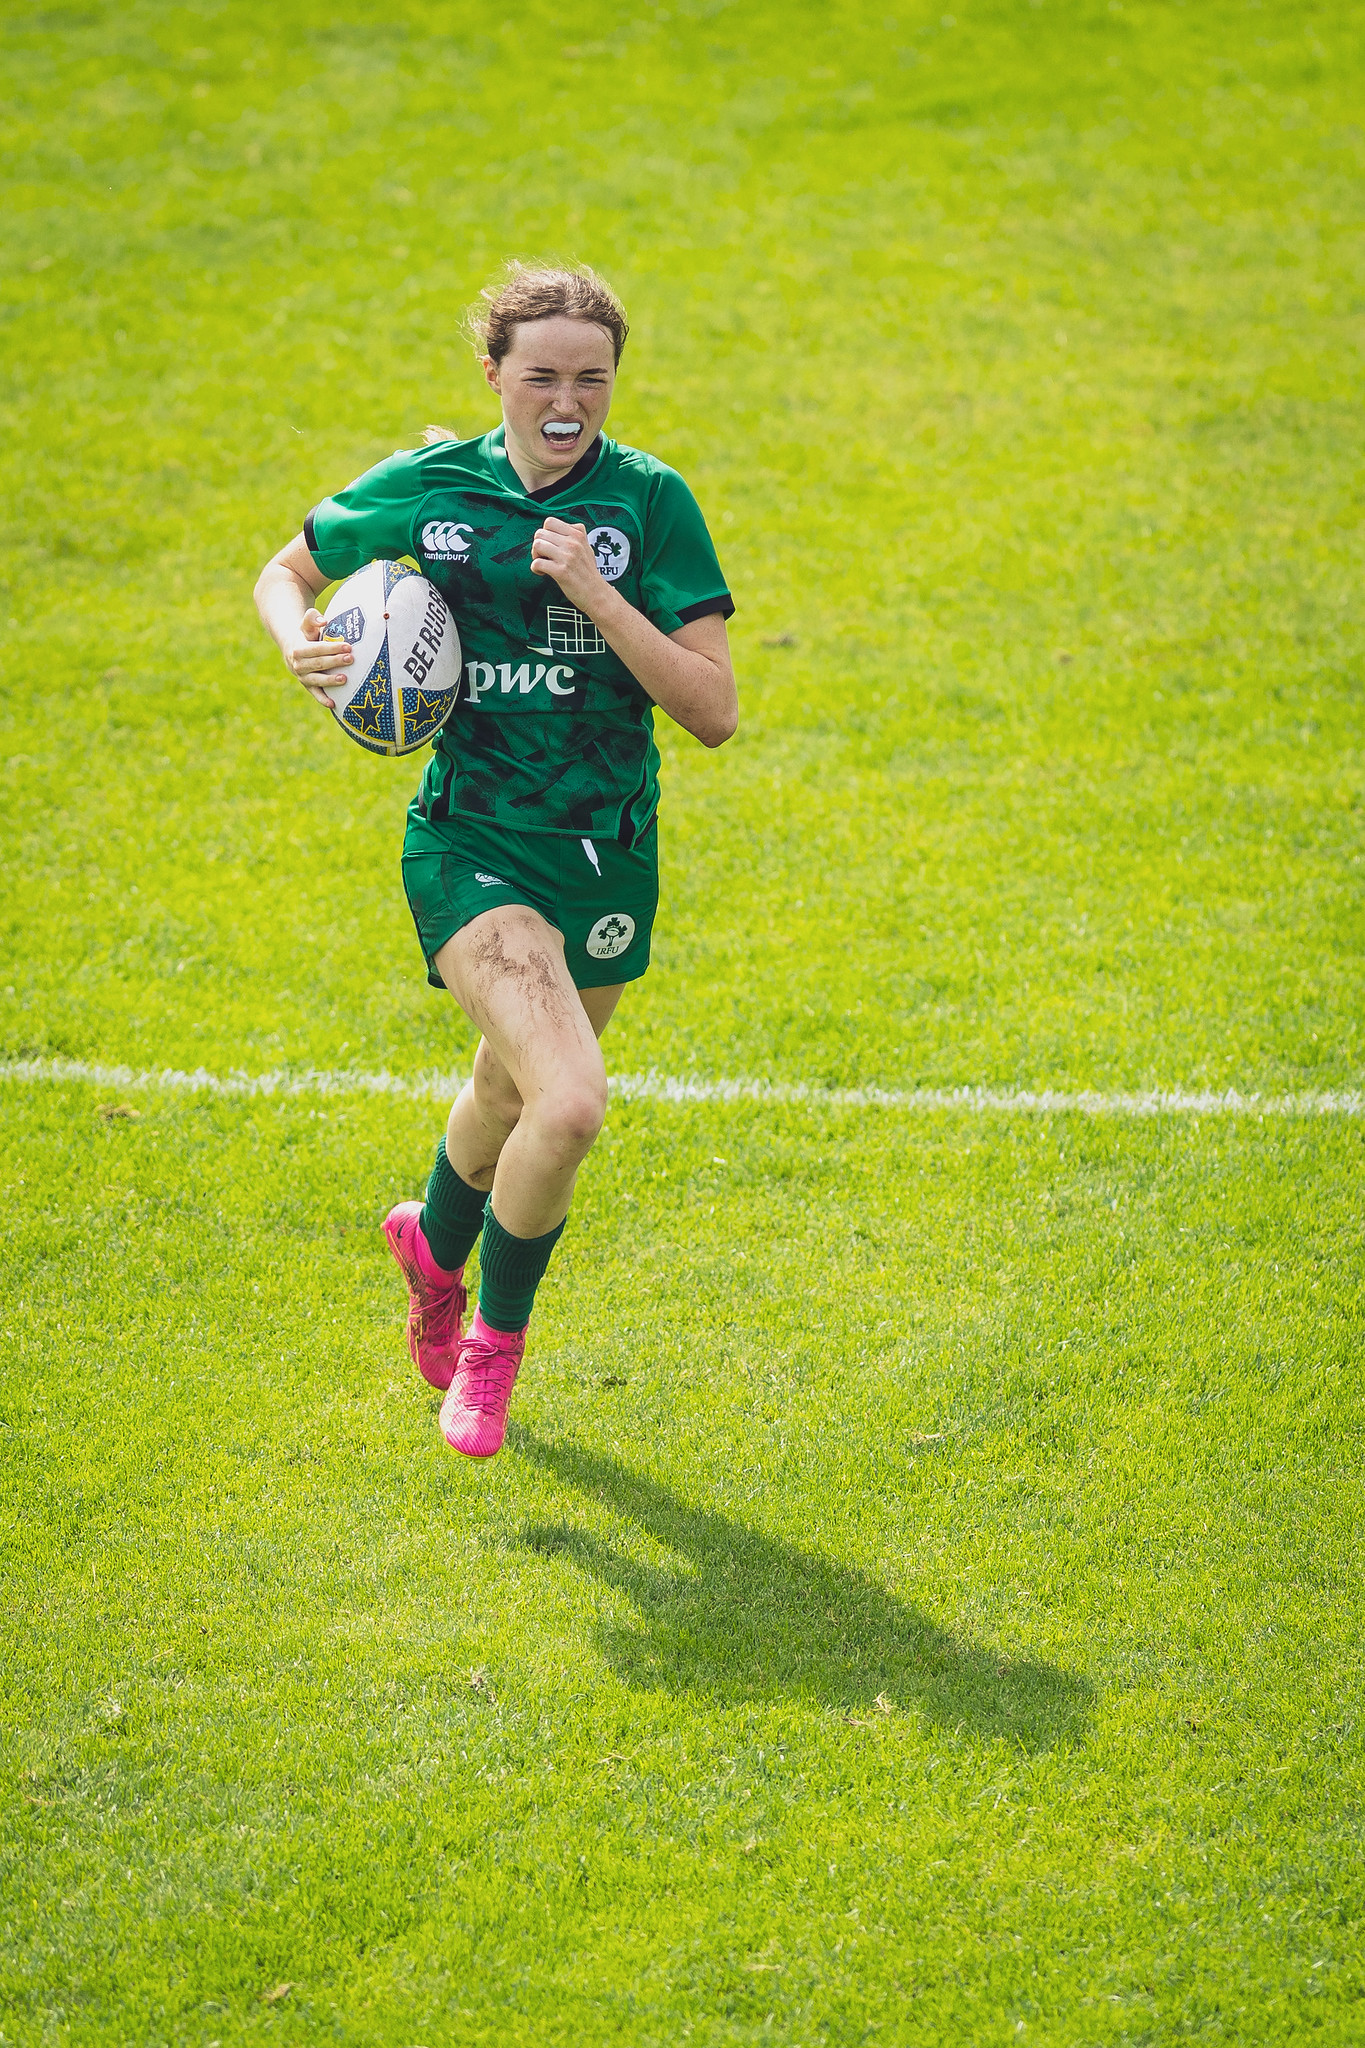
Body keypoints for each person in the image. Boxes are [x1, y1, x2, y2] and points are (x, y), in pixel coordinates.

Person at [254, 263, 737, 1458]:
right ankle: (491, 1348)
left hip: (608, 853)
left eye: (593, 376)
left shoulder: (651, 505)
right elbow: (285, 571)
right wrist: (299, 643)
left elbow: (715, 709)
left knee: (510, 1092)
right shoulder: (432, 488)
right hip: (470, 843)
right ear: (495, 378)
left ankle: (430, 1242)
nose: (568, 398)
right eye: (543, 375)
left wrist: (599, 593)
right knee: (568, 1103)